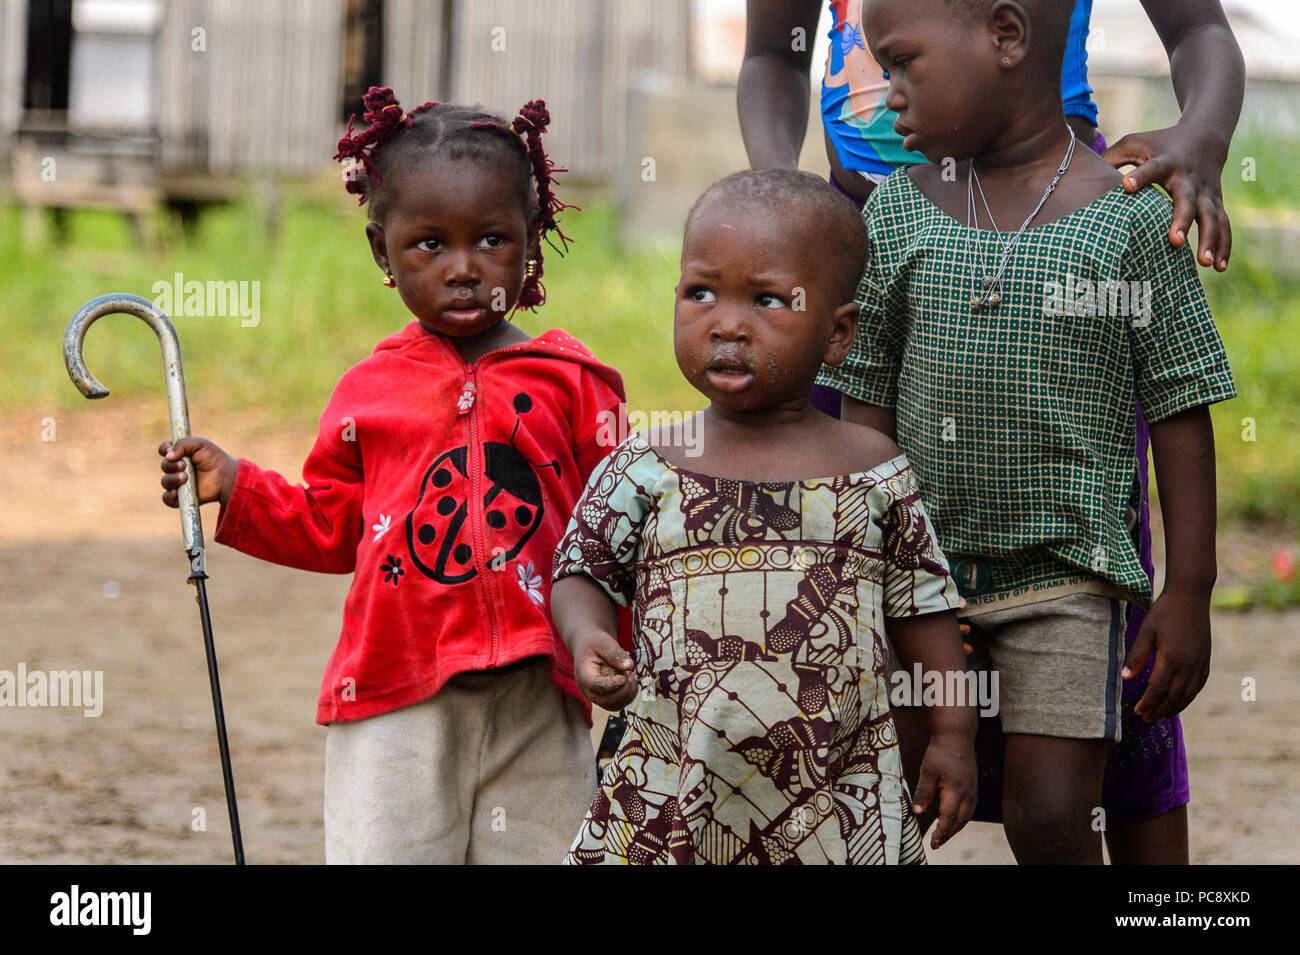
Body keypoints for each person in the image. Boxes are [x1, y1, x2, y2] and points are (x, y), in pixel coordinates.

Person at [740, 0, 1244, 864]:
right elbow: (867, 420)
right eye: (878, 66)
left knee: (1065, 797)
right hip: (924, 569)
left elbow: (1178, 409)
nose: (888, 96)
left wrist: (1189, 588)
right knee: (874, 762)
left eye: (902, 66)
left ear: (1008, 37)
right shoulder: (898, 217)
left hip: (1067, 573)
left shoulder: (1125, 224)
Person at [156, 87, 626, 864]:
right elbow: (329, 523)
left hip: (540, 698)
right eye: (429, 245)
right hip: (395, 696)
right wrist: (237, 486)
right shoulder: (368, 392)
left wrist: (618, 643)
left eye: (493, 241)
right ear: (383, 252)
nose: (465, 269)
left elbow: (615, 534)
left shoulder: (575, 382)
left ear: (532, 242)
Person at [550, 169, 977, 865]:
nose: (726, 322)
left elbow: (925, 612)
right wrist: (588, 633)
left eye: (768, 299)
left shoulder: (870, 469)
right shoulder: (650, 461)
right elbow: (580, 570)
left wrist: (954, 733)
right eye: (701, 292)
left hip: (836, 798)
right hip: (672, 794)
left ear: (838, 333)